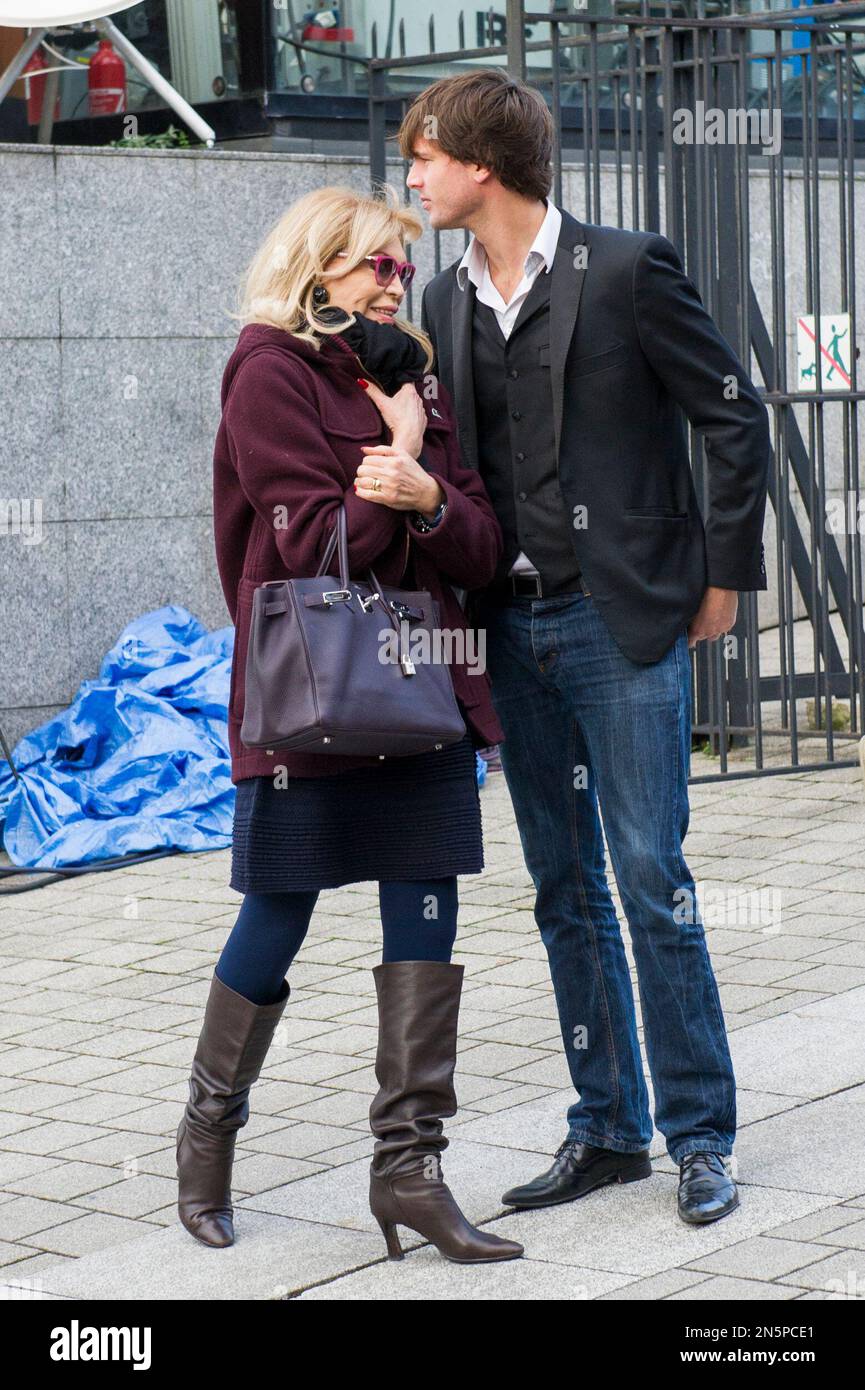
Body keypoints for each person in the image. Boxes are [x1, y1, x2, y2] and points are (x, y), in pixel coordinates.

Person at [401, 69, 770, 1225]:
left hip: (618, 621)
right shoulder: (442, 296)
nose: (410, 176)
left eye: (424, 155)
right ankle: (605, 1126)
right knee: (564, 888)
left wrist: (721, 579)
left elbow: (731, 416)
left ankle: (699, 1135)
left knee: (652, 881)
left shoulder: (623, 269)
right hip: (511, 627)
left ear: (480, 165)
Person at [176, 184, 523, 1265]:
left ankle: (409, 1172)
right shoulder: (266, 370)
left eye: (402, 267)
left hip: (419, 696)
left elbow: (477, 545)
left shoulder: (409, 373)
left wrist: (422, 484)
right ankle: (205, 1140)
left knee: (427, 920)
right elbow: (307, 551)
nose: (395, 282)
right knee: (275, 915)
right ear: (318, 265)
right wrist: (401, 469)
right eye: (377, 264)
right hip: (308, 704)